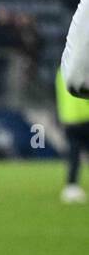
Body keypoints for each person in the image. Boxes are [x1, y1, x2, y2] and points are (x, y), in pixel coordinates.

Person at [56, 67, 89, 204]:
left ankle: (71, 186)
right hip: (85, 117)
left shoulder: (61, 72)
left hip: (69, 118)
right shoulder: (84, 70)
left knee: (73, 154)